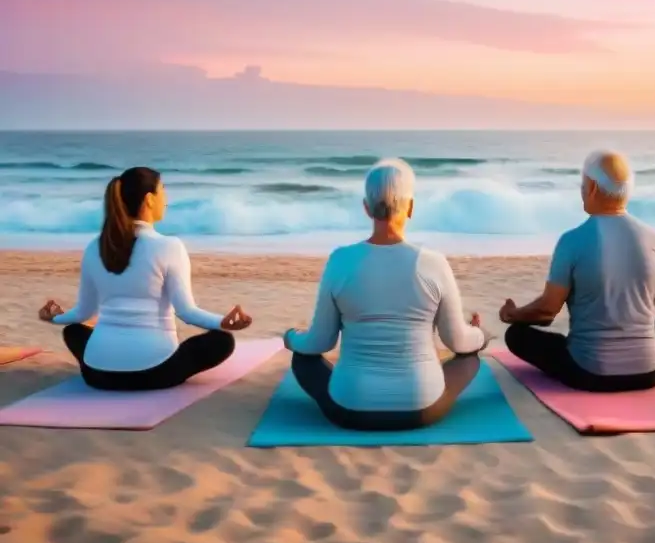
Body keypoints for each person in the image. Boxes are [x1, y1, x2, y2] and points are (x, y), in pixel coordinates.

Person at [283, 158, 488, 431]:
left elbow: (320, 342)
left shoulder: (340, 260)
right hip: (421, 408)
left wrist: (290, 336)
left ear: (366, 208)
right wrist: (482, 335)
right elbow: (458, 341)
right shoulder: (434, 263)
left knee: (302, 356)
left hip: (349, 409)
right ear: (411, 207)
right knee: (469, 356)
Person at [37, 167, 252, 391]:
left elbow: (83, 313)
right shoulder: (168, 246)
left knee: (72, 331)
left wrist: (56, 319)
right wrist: (222, 323)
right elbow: (186, 312)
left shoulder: (95, 247)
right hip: (153, 373)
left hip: (97, 375)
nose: (166, 199)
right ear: (149, 199)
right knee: (222, 341)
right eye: (163, 191)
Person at [500, 149, 655, 392]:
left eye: (583, 183)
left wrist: (512, 314)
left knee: (516, 335)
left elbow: (546, 313)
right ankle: (644, 353)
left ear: (593, 188)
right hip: (648, 374)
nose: (581, 189)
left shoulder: (572, 241)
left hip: (589, 373)